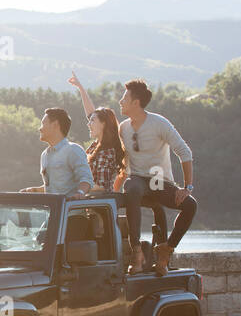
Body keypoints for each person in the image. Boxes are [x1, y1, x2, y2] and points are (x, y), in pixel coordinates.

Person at [68, 71, 168, 244]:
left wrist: (77, 191)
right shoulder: (94, 146)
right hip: (89, 202)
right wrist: (81, 88)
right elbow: (91, 113)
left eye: (93, 121)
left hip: (99, 206)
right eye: (89, 120)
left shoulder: (108, 151)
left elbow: (103, 186)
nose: (88, 123)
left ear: (104, 124)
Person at [118, 78, 197, 276]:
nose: (120, 101)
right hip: (137, 180)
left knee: (190, 205)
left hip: (158, 180)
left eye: (124, 97)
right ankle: (136, 251)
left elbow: (184, 152)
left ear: (136, 103)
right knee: (133, 187)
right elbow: (124, 162)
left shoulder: (159, 123)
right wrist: (115, 186)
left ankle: (166, 249)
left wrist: (187, 188)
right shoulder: (123, 128)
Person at [21, 107, 93, 198]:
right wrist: (34, 190)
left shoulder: (73, 150)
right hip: (53, 210)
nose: (40, 129)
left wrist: (80, 193)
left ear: (55, 125)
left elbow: (86, 179)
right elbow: (56, 187)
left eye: (43, 124)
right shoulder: (44, 155)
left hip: (71, 211)